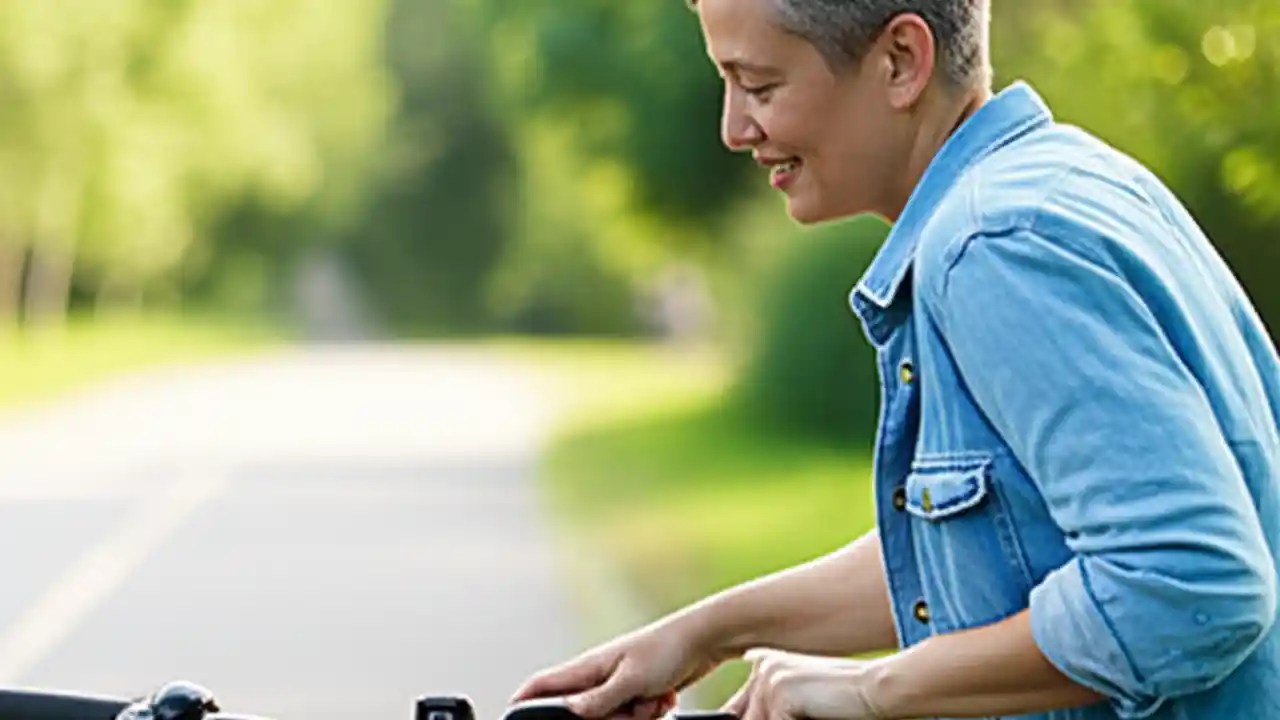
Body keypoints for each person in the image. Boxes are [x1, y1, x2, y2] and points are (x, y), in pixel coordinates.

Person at [511, 0, 1280, 718]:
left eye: (759, 84)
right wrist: (706, 634)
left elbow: (1186, 582)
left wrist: (872, 690)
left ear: (901, 62)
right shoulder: (1069, 183)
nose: (733, 128)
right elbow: (989, 540)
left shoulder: (993, 248)